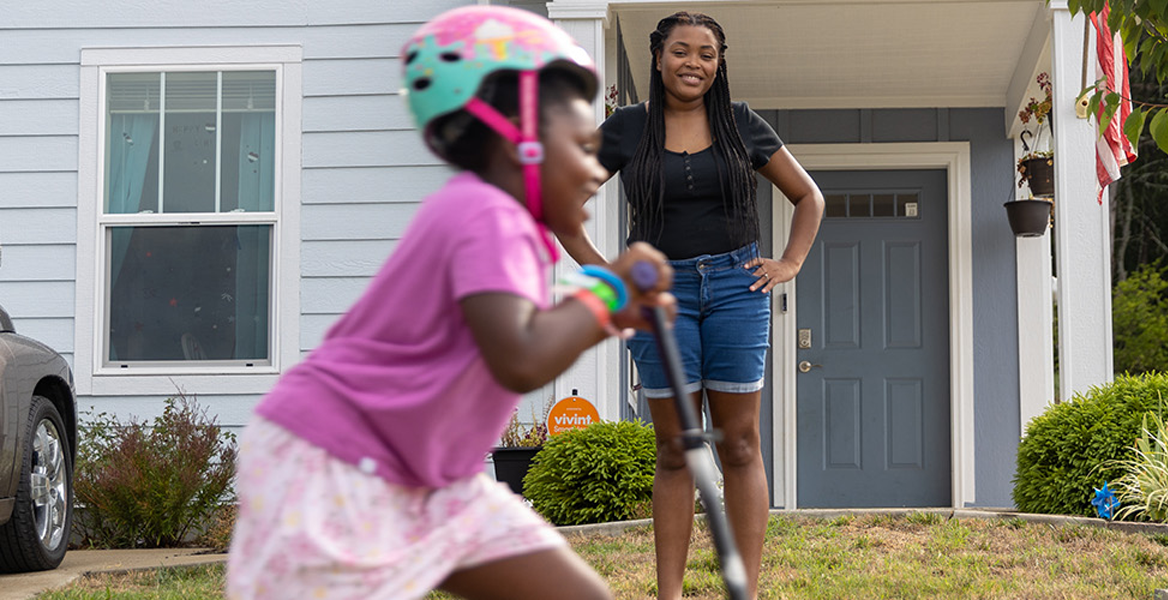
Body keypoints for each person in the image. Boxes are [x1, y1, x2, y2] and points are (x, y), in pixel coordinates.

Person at [225, 7, 674, 600]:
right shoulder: (482, 214)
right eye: (582, 146)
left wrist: (607, 314)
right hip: (337, 460)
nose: (596, 170)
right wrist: (609, 292)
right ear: (522, 141)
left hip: (433, 480)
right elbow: (519, 356)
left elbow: (527, 335)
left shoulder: (511, 231)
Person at [557, 11, 825, 600]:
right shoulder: (628, 128)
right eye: (681, 51)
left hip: (738, 288)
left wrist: (789, 263)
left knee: (741, 443)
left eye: (706, 54)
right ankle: (670, 593)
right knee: (677, 448)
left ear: (719, 63)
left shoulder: (741, 125)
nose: (694, 64)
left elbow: (808, 195)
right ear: (658, 58)